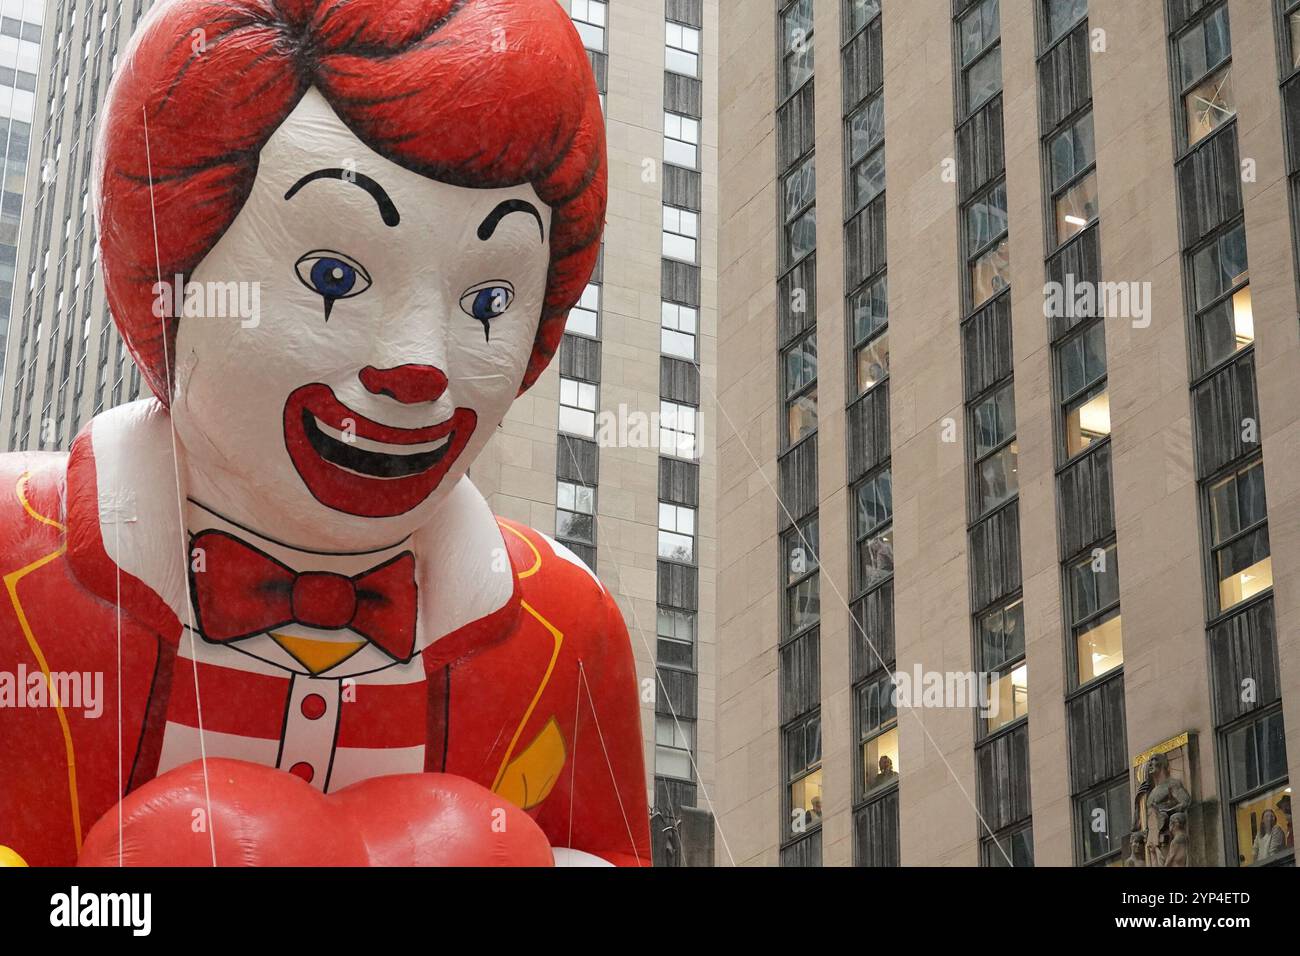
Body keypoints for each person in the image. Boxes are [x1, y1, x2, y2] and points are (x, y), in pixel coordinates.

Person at [0, 0, 648, 868]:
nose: (419, 368)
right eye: (334, 277)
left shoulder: (566, 629)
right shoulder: (17, 570)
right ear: (174, 269)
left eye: (488, 303)